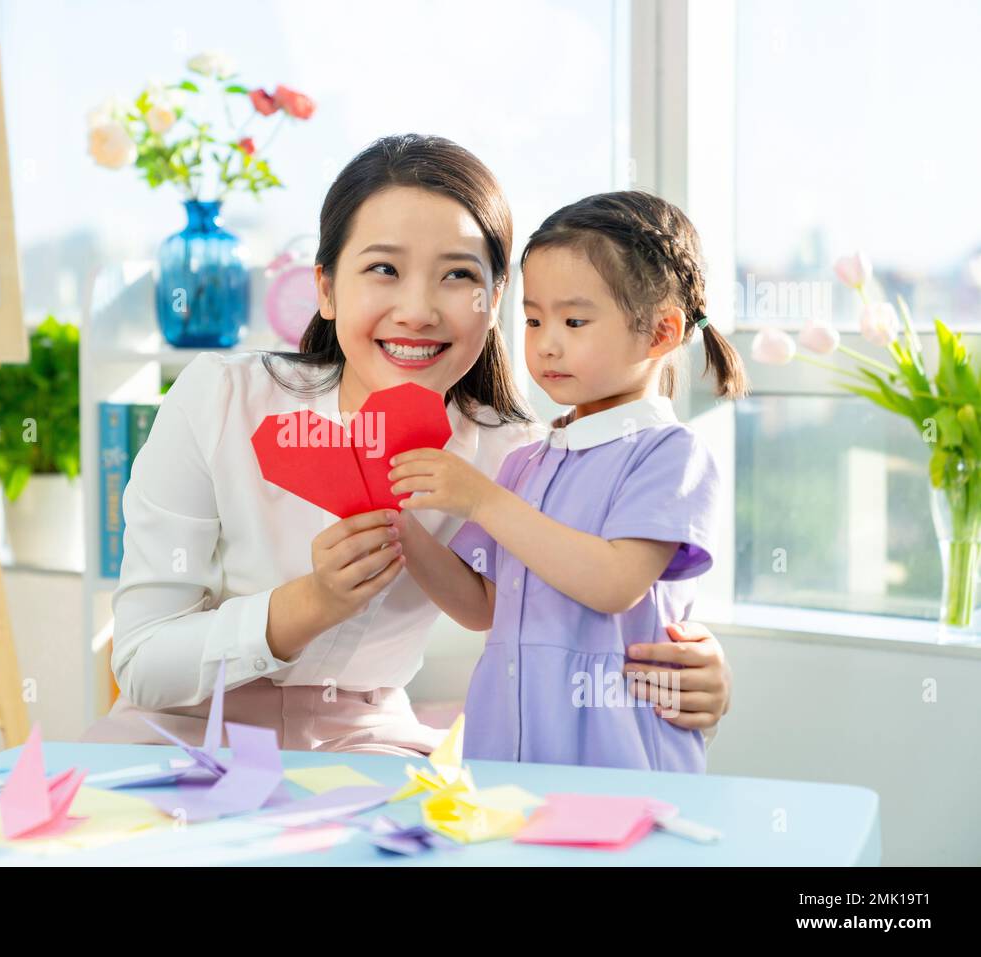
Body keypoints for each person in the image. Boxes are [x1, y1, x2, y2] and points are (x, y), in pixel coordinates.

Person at [82, 136, 733, 757]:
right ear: (328, 288)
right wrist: (309, 604)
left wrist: (698, 662)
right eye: (384, 269)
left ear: (496, 298)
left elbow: (569, 597)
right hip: (181, 733)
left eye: (456, 276)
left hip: (368, 741)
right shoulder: (219, 398)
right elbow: (139, 663)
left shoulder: (517, 453)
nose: (418, 310)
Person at [388, 190, 746, 770]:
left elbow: (613, 582)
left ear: (659, 334)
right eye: (533, 319)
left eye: (574, 320)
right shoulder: (529, 461)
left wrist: (482, 500)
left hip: (620, 755)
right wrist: (401, 531)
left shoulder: (668, 454)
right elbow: (484, 606)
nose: (546, 342)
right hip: (511, 753)